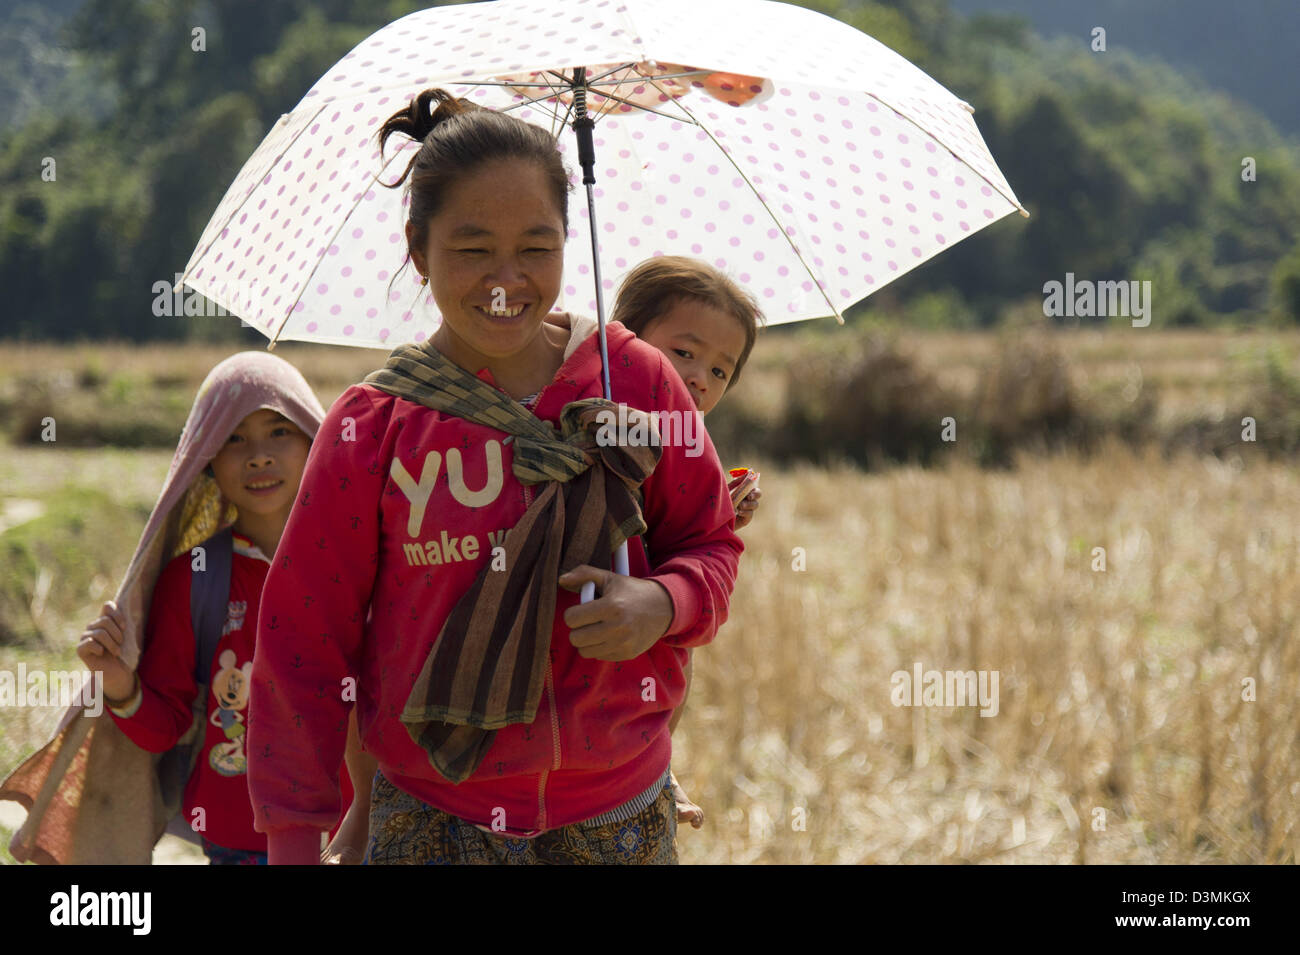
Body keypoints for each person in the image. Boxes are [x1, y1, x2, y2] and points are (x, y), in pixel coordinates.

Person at [248, 87, 743, 865]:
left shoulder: (636, 383)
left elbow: (710, 545)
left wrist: (661, 599)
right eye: (473, 250)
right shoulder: (373, 427)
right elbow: (303, 642)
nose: (506, 279)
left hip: (616, 817)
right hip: (433, 822)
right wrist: (293, 839)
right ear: (418, 250)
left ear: (568, 241)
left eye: (536, 248)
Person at [2, 352, 328, 864]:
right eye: (234, 439)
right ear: (206, 461)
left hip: (350, 834)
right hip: (238, 841)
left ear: (316, 440)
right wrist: (119, 684)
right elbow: (165, 728)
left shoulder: (356, 565)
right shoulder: (194, 579)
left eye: (279, 431)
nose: (258, 455)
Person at [609, 255, 765, 829]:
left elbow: (688, 516)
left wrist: (728, 501)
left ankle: (657, 768)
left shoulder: (689, 435)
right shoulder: (599, 412)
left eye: (722, 371)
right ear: (625, 337)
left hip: (658, 608)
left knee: (672, 663)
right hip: (599, 596)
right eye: (685, 352)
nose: (701, 377)